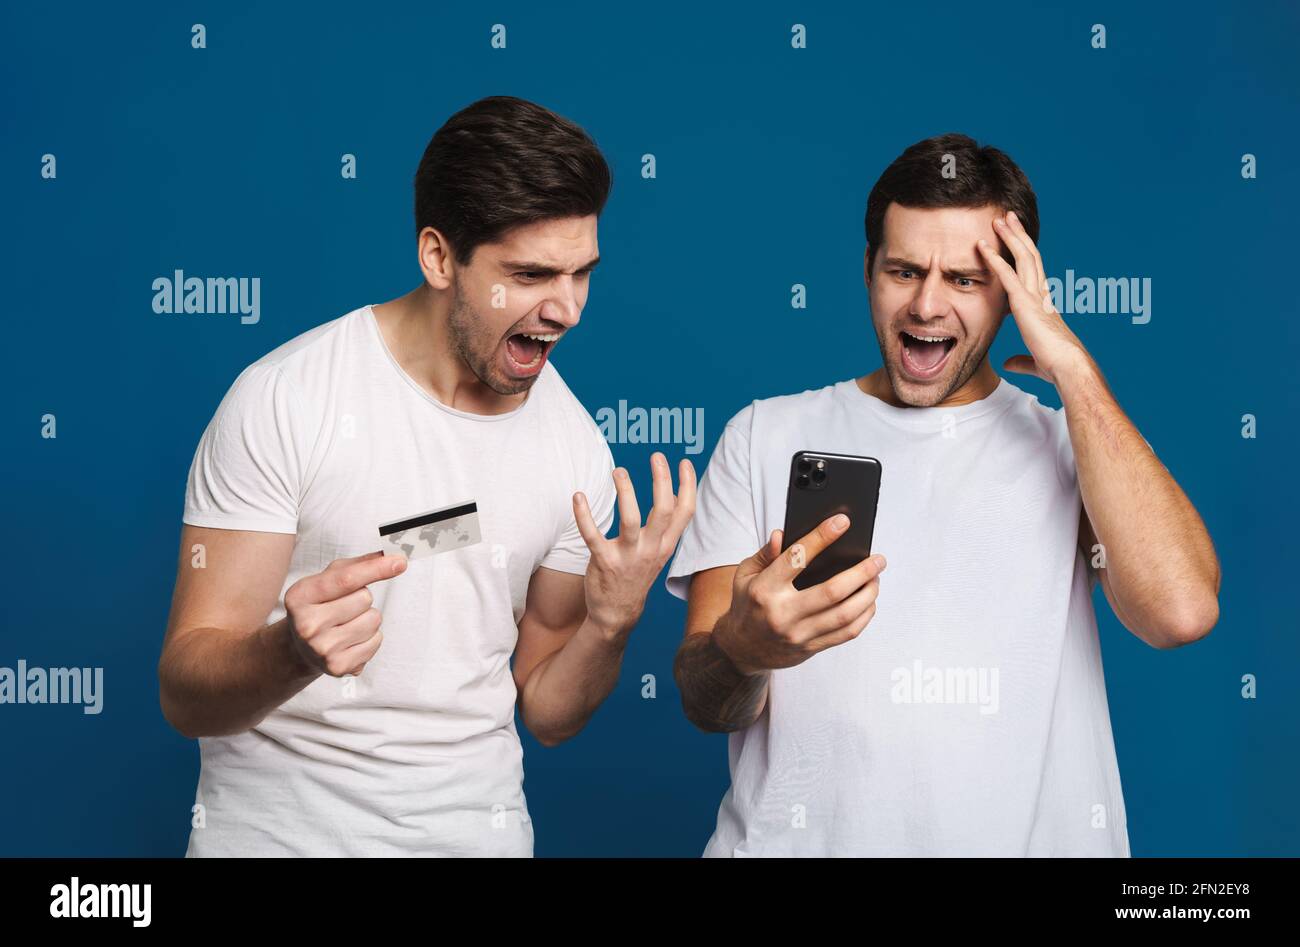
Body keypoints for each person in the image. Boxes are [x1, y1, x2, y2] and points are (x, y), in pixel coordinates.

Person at [159, 95, 695, 856]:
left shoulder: (575, 445)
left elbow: (546, 709)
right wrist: (291, 652)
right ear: (440, 257)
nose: (567, 309)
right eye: (533, 274)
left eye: (582, 274)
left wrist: (611, 623)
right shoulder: (288, 399)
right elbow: (185, 692)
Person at [666, 133, 1220, 857]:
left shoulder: (1068, 445)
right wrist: (745, 646)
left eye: (964, 279)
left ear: (1017, 291)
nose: (925, 305)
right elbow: (706, 702)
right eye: (903, 270)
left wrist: (1073, 369)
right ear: (868, 271)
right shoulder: (764, 435)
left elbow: (1179, 611)